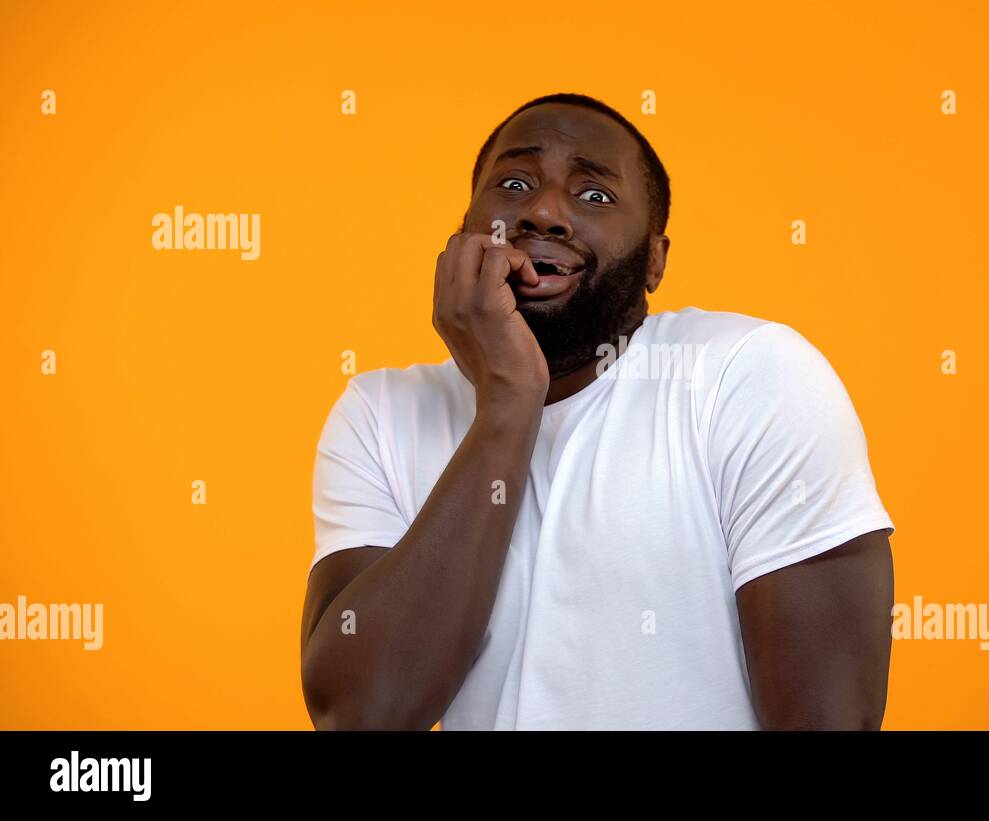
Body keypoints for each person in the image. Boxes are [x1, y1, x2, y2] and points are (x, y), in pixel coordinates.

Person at [299, 93, 896, 730]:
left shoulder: (749, 376)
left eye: (594, 195)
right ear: (468, 224)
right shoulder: (380, 414)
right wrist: (507, 398)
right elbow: (364, 714)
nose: (544, 212)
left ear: (656, 260)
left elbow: (831, 721)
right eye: (515, 183)